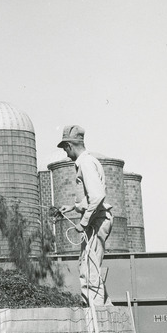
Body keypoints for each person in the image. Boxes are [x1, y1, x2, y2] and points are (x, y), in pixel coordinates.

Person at [56, 126, 114, 307]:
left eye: (65, 148)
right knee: (88, 266)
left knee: (89, 269)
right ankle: (106, 310)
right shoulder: (88, 162)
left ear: (69, 145)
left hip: (97, 220)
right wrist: (74, 207)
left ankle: (96, 313)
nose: (66, 153)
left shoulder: (86, 163)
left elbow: (97, 196)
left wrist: (83, 221)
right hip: (96, 219)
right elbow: (91, 198)